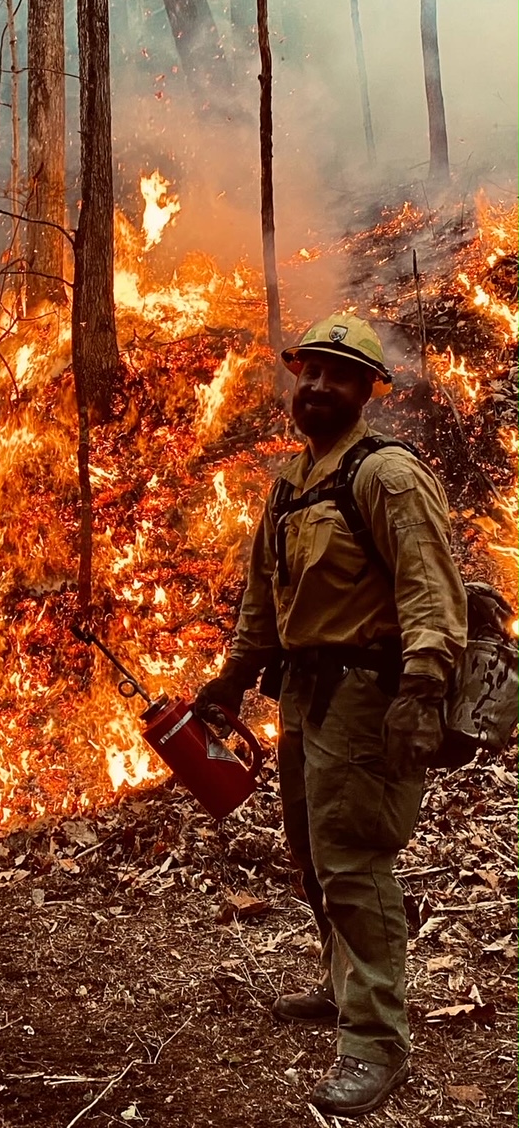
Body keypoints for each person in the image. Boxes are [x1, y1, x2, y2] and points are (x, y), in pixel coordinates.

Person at [193, 313, 467, 1118]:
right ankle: (342, 985)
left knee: (353, 861)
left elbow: (431, 589)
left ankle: (376, 1041)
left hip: (369, 695)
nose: (316, 386)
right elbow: (263, 598)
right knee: (313, 855)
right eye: (309, 371)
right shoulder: (290, 484)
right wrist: (233, 677)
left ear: (367, 392)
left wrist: (422, 693)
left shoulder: (386, 476)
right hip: (307, 693)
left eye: (337, 375)